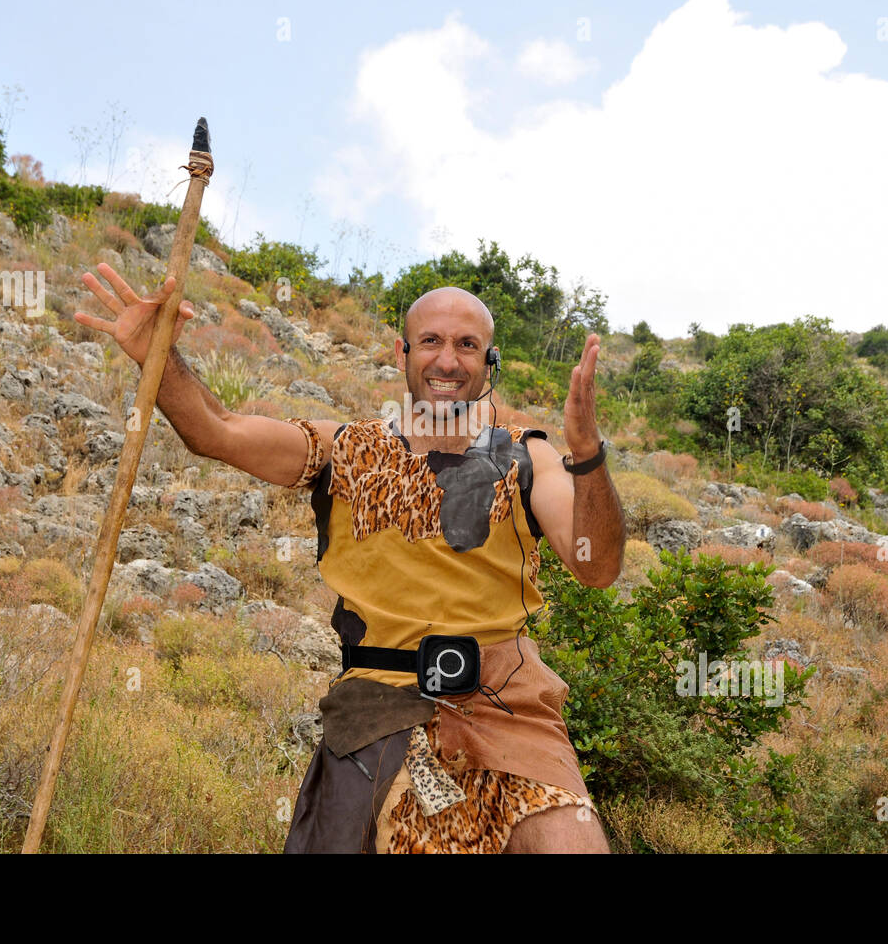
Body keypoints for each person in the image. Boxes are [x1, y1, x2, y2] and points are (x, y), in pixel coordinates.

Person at [75, 266, 626, 853]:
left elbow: (597, 567)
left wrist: (588, 456)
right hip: (378, 709)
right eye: (432, 342)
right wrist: (156, 356)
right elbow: (217, 430)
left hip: (505, 702)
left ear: (489, 360)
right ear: (402, 351)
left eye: (467, 345)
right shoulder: (347, 450)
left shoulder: (527, 457)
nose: (448, 361)